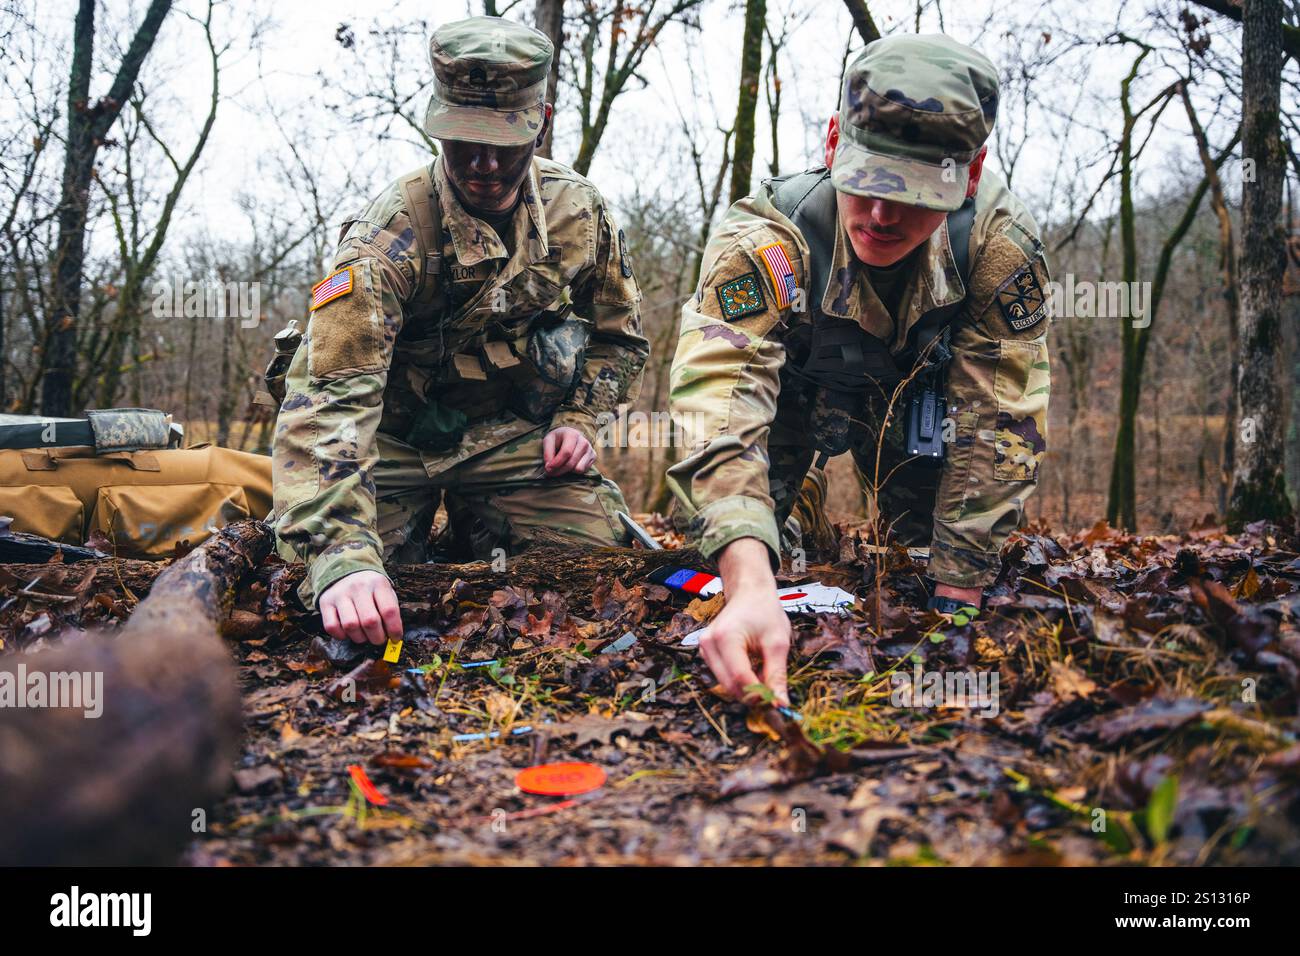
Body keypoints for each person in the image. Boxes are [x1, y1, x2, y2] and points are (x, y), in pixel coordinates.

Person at [667, 33, 1052, 705]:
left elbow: (1002, 412)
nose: (880, 214)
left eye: (915, 192)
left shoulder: (997, 247)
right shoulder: (766, 237)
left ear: (970, 172)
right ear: (832, 141)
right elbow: (717, 400)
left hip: (914, 412)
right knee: (725, 553)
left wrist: (960, 588)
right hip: (790, 403)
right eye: (869, 180)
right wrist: (749, 580)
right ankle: (794, 511)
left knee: (934, 566)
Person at [273, 16, 648, 645]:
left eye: (503, 143)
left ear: (542, 123)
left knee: (596, 564)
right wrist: (342, 553)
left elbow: (620, 337)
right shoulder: (385, 241)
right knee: (330, 584)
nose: (482, 164)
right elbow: (330, 400)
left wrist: (580, 421)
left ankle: (479, 518)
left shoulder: (576, 213)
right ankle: (412, 530)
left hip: (507, 443)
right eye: (462, 140)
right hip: (389, 445)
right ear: (436, 124)